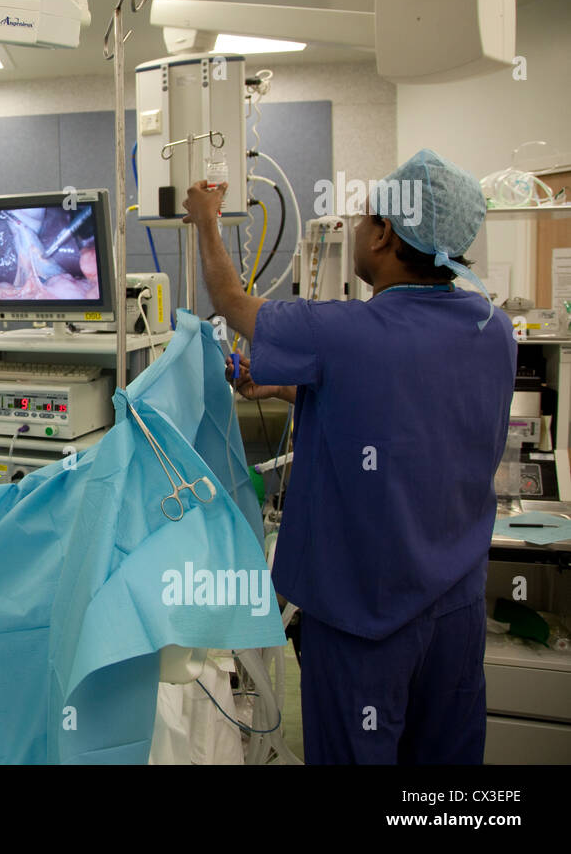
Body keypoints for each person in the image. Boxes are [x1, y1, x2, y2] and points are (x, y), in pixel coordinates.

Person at [184, 149, 515, 764]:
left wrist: (206, 218)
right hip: (456, 616)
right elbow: (410, 409)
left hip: (365, 621)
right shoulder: (492, 329)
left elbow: (229, 300)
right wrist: (289, 386)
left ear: (386, 234)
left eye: (363, 219)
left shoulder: (344, 331)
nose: (358, 229)